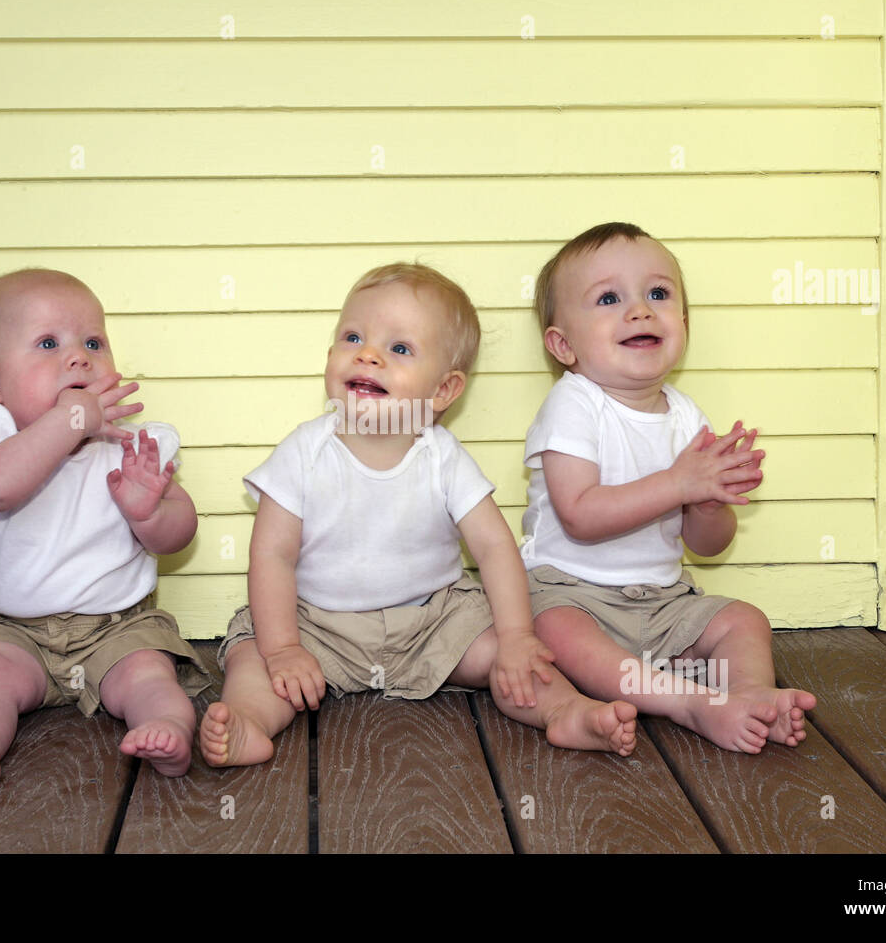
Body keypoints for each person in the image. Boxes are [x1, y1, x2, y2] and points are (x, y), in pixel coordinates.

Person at [200, 263, 637, 767]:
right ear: (330, 357)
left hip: (432, 622)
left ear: (445, 391)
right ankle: (248, 722)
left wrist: (516, 636)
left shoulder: (442, 457)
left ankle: (566, 711)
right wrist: (282, 649)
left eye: (399, 348)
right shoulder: (304, 452)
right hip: (316, 627)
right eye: (353, 337)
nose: (367, 354)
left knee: (511, 658)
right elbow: (273, 555)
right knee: (253, 657)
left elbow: (494, 547)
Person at [0, 269, 209, 799]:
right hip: (17, 634)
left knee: (148, 676)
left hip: (117, 628)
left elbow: (179, 535)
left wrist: (150, 511)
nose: (78, 356)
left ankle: (170, 730)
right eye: (49, 344)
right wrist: (71, 419)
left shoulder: (132, 446)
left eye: (93, 342)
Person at [522, 223, 816, 753]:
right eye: (609, 298)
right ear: (563, 345)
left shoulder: (686, 418)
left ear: (682, 322)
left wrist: (707, 500)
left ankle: (750, 696)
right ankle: (690, 704)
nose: (639, 310)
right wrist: (679, 480)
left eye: (658, 294)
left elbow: (707, 546)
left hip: (662, 603)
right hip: (573, 593)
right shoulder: (574, 405)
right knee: (553, 634)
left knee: (743, 620)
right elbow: (580, 517)